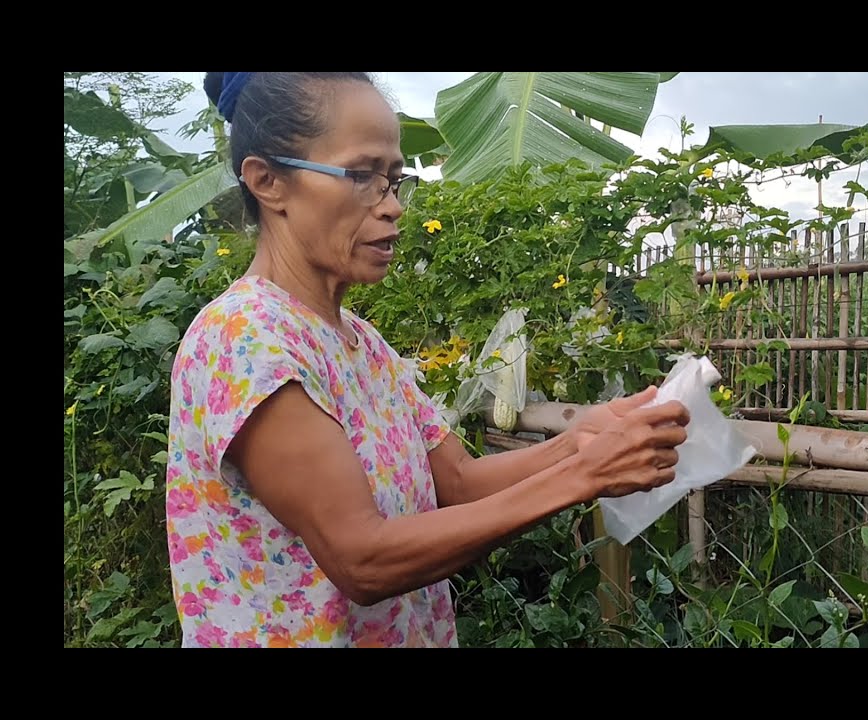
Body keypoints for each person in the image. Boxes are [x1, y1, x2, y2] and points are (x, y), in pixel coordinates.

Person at [165, 72, 690, 648]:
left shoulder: (360, 343)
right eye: (362, 176)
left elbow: (459, 482)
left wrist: (579, 441)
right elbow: (362, 559)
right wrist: (584, 474)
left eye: (394, 180)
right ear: (268, 182)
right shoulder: (244, 341)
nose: (392, 207)